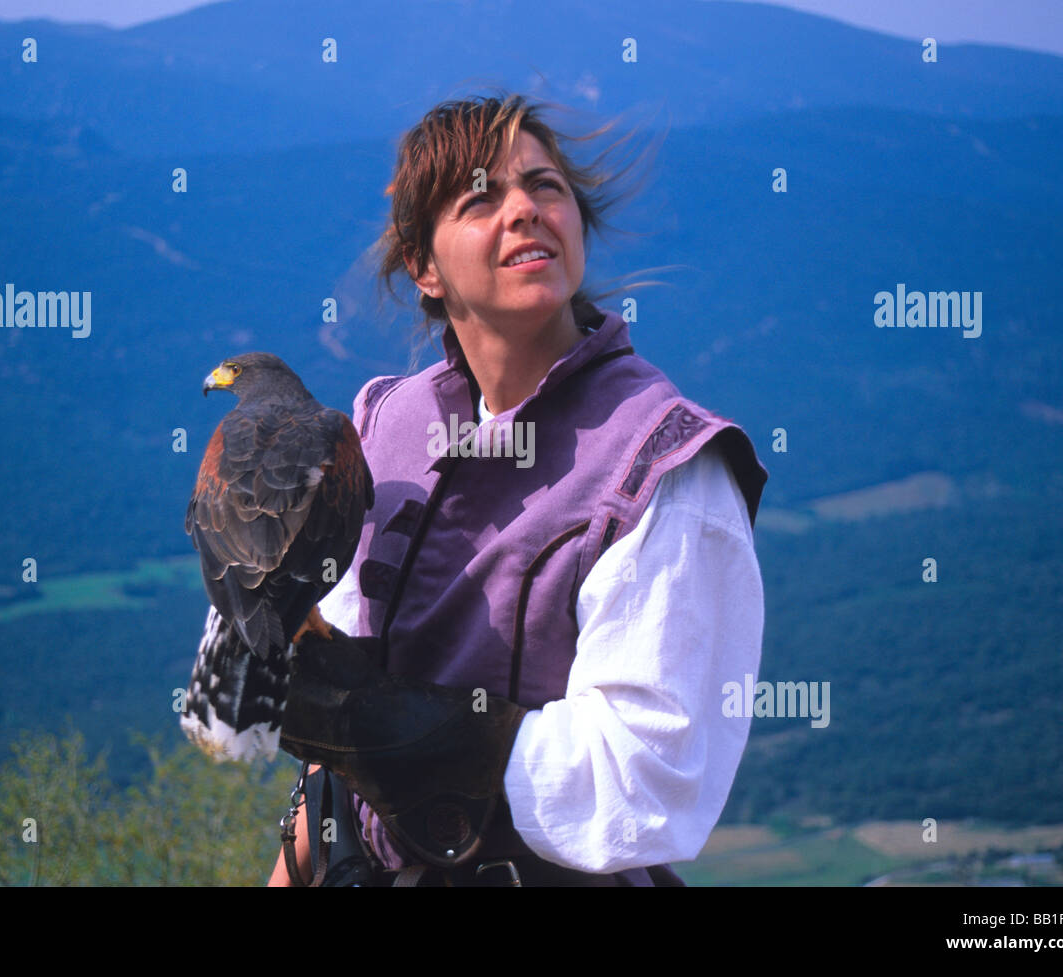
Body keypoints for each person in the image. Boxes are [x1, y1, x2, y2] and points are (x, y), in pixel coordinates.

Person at [269, 93, 768, 887]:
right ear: (424, 266)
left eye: (546, 187)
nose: (525, 210)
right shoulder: (381, 423)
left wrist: (414, 732)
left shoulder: (665, 463)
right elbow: (323, 683)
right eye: (480, 198)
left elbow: (646, 775)